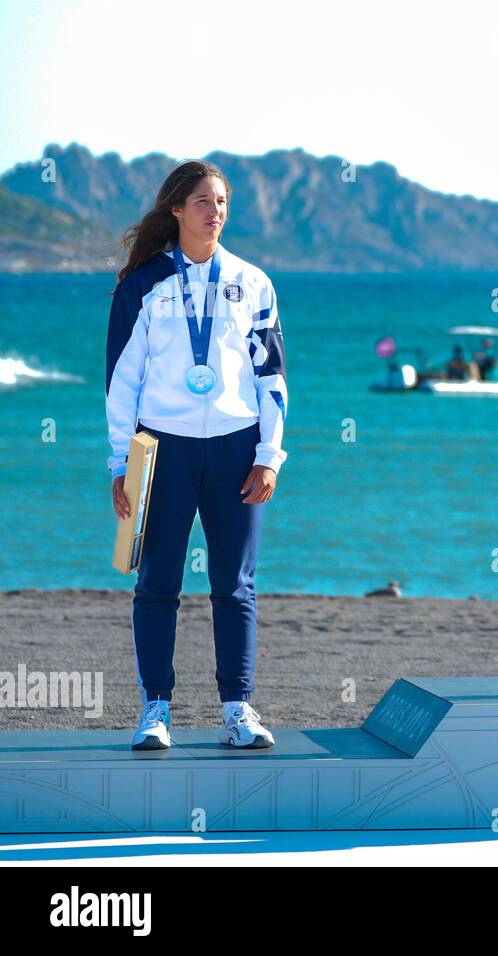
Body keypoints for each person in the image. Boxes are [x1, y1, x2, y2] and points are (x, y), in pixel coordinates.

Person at [106, 161, 287, 750]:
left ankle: (238, 709)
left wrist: (269, 454)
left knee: (234, 585)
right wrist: (119, 464)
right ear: (178, 209)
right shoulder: (142, 284)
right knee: (158, 582)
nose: (216, 211)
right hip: (163, 451)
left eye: (224, 201)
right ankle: (155, 710)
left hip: (237, 449)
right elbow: (120, 382)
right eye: (204, 201)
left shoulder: (254, 282)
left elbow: (271, 378)